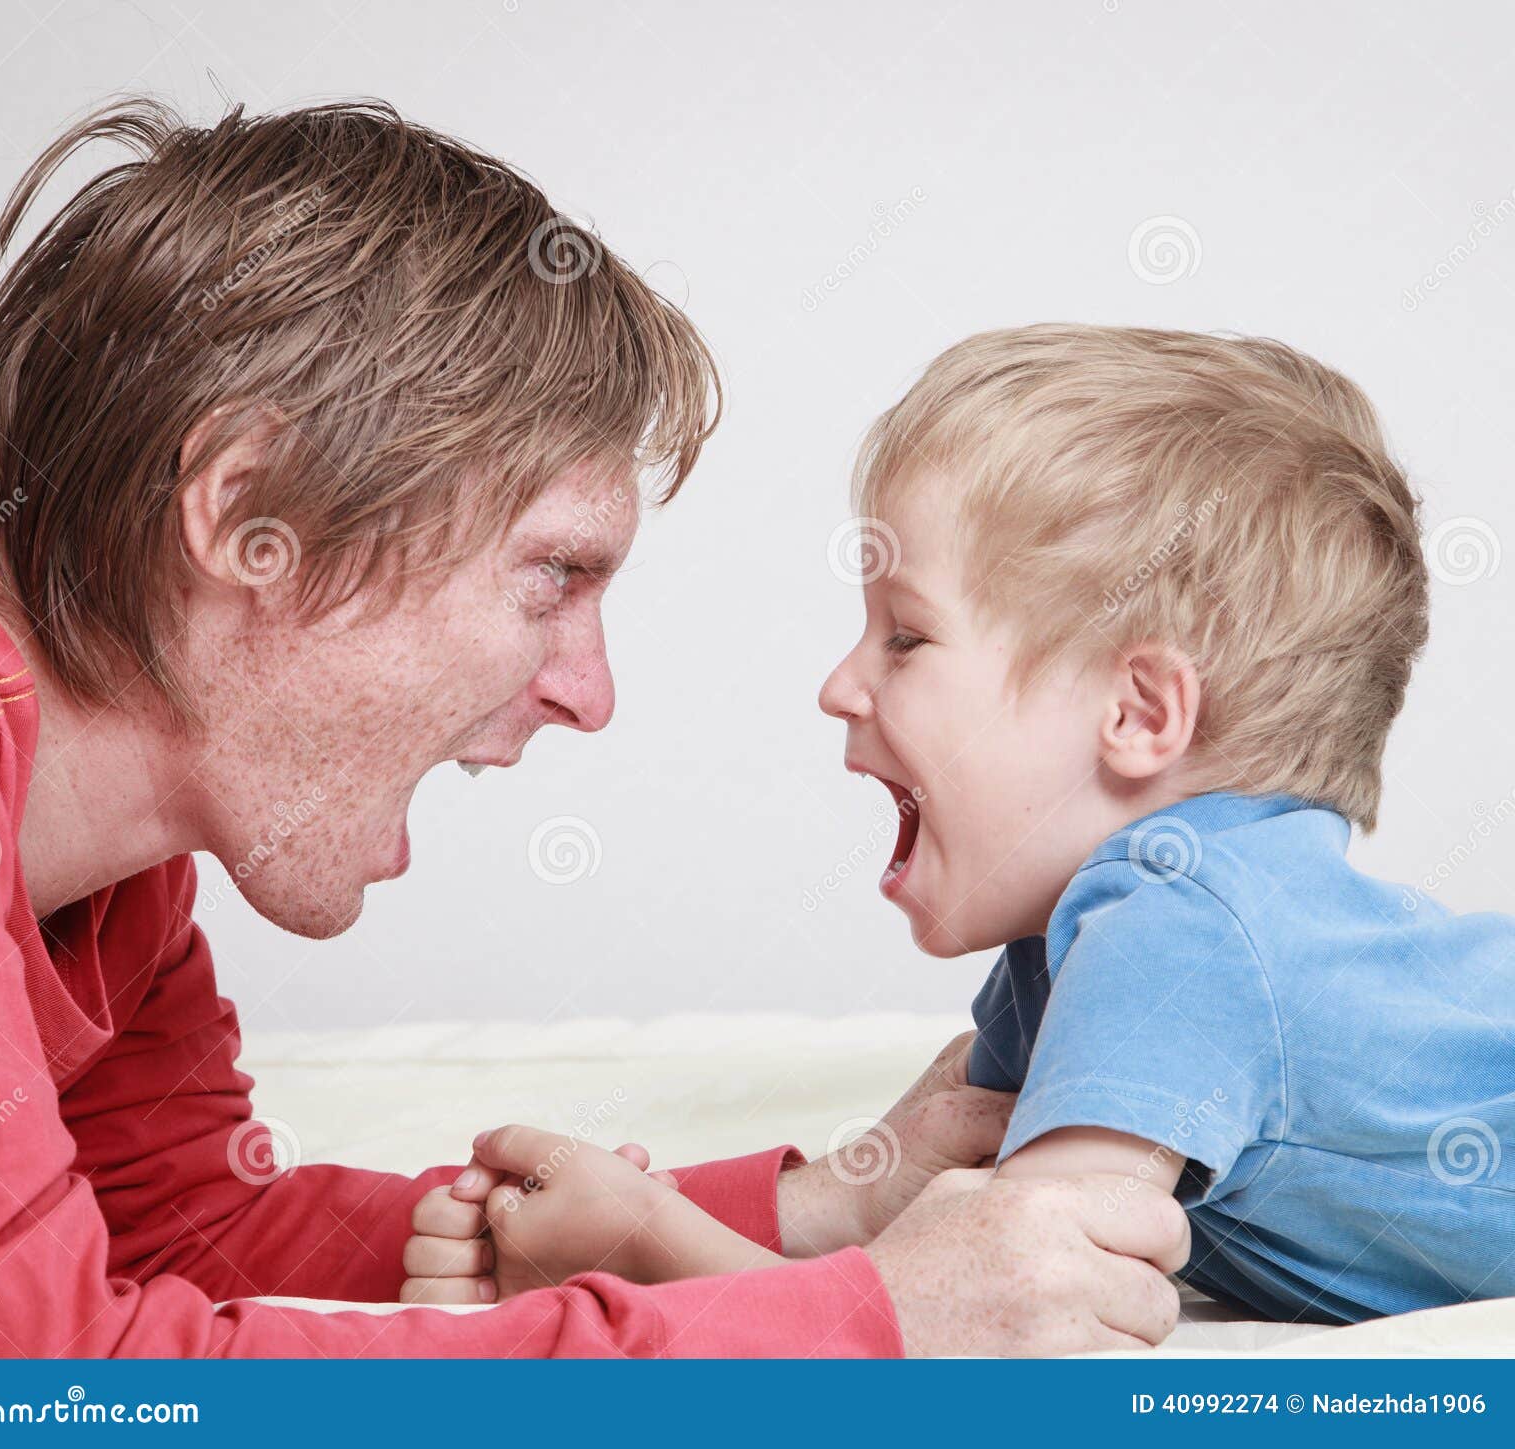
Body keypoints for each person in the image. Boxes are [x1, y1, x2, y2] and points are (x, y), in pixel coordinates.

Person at [0, 104, 1186, 1357]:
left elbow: (176, 1236)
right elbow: (37, 1381)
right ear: (248, 510)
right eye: (553, 576)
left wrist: (810, 1212)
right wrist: (861, 1325)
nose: (590, 692)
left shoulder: (111, 874)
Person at [412, 325, 1510, 1328]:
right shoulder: (1065, 945)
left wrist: (645, 1236)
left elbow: (1008, 1325)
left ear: (1135, 715)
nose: (838, 685)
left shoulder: (1177, 930)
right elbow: (933, 1277)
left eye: (905, 640)